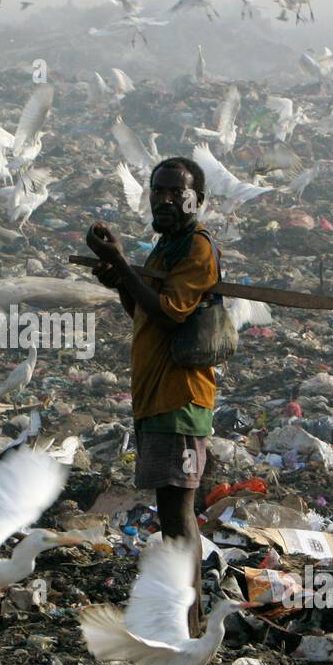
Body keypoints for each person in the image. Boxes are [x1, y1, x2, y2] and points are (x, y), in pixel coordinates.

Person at [85, 156, 219, 637]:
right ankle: (186, 620)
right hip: (155, 397)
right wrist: (121, 278)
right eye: (156, 191)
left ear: (197, 200)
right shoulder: (167, 246)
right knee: (171, 514)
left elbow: (169, 314)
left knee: (179, 516)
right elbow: (143, 311)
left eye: (173, 193)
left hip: (180, 399)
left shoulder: (197, 248)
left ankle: (189, 624)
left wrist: (123, 264)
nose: (163, 200)